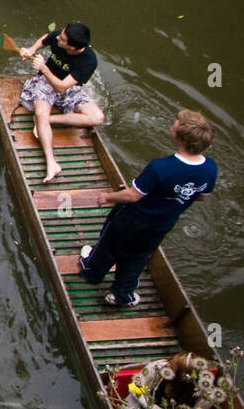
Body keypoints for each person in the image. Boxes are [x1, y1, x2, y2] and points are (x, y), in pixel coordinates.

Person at [79, 110, 217, 307]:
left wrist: (107, 197)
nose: (172, 126)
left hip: (132, 217)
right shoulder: (210, 168)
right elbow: (203, 197)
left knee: (109, 244)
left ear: (181, 139)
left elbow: (133, 196)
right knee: (138, 256)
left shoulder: (160, 167)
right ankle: (121, 293)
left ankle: (92, 272)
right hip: (162, 224)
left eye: (175, 125)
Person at [15, 21, 105, 183]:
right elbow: (45, 39)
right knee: (41, 111)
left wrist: (43, 68)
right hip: (44, 82)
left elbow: (62, 87)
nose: (57, 38)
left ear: (73, 48)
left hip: (66, 86)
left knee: (97, 118)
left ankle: (46, 120)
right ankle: (52, 162)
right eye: (60, 35)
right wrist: (31, 50)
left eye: (62, 39)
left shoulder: (89, 61)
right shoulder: (63, 35)